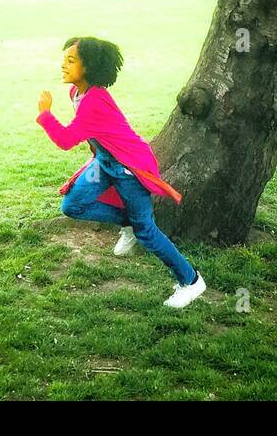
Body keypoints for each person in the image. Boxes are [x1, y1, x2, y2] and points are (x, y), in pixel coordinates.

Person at [36, 36, 207, 309]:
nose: (63, 65)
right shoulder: (77, 93)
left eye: (71, 61)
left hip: (128, 170)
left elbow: (67, 140)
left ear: (89, 67)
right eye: (64, 59)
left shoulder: (95, 101)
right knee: (72, 205)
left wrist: (45, 114)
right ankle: (128, 223)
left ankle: (191, 280)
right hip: (105, 163)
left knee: (147, 232)